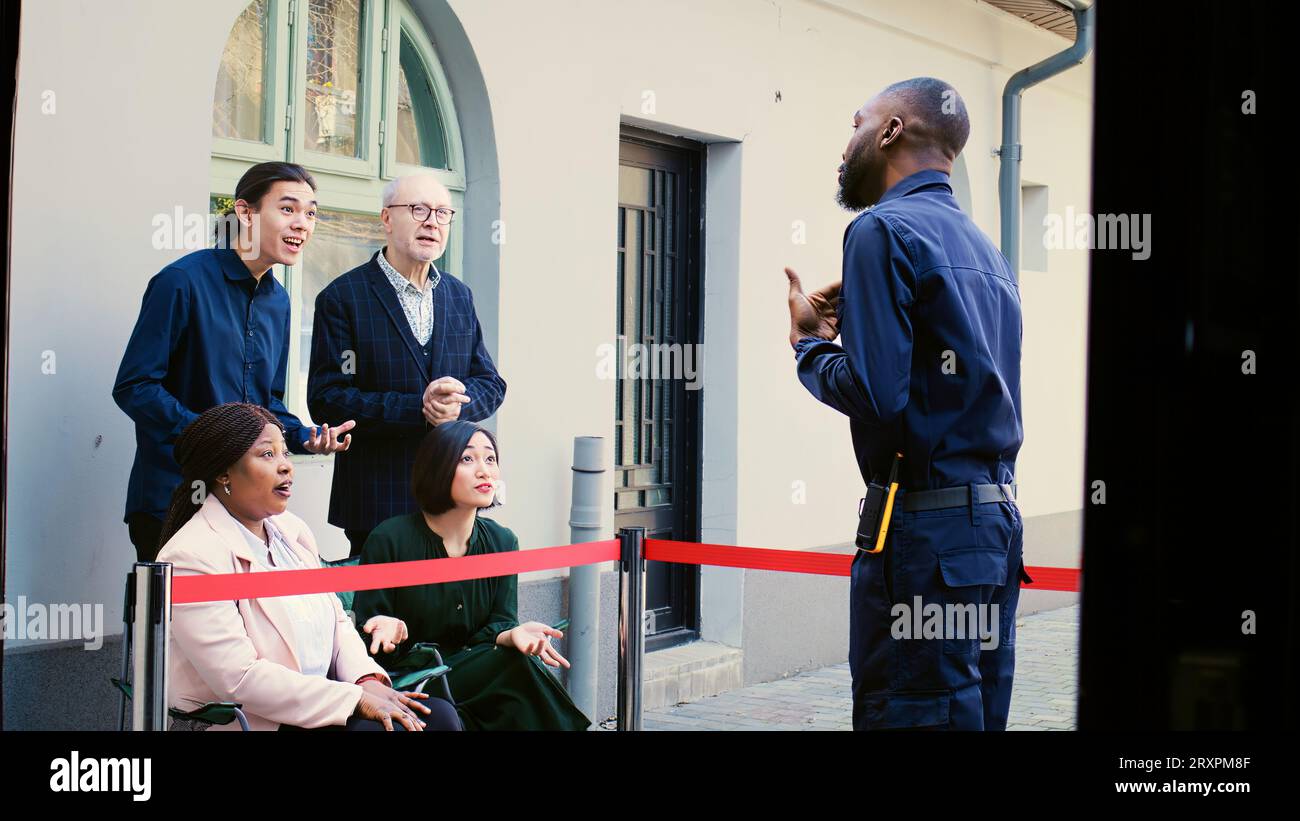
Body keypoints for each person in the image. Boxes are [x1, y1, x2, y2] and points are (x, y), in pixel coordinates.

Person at [786, 77, 1028, 730]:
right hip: (993, 534)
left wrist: (810, 347)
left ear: (891, 131)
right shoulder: (989, 253)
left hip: (927, 536)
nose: (846, 144)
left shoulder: (880, 231)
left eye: (856, 122)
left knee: (910, 714)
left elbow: (877, 393)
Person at [156, 402, 461, 731]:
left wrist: (366, 679)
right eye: (267, 455)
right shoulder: (190, 557)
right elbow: (239, 677)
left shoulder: (291, 531)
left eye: (285, 453)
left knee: (439, 714)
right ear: (223, 473)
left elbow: (338, 623)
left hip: (326, 702)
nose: (286, 467)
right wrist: (351, 699)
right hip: (262, 720)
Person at [113, 162, 355, 563]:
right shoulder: (181, 282)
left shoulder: (278, 301)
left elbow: (268, 404)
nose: (302, 224)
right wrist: (212, 437)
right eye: (288, 209)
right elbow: (134, 387)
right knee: (165, 623)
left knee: (244, 623)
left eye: (311, 213)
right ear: (245, 212)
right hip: (173, 497)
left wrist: (303, 436)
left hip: (244, 502)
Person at [308, 174, 506, 558]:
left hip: (454, 499)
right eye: (418, 210)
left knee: (450, 614)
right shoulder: (342, 297)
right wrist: (419, 407)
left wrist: (458, 405)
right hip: (377, 502)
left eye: (443, 213)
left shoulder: (458, 295)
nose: (432, 221)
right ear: (386, 218)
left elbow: (490, 382)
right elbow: (327, 398)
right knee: (384, 618)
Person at [352, 421, 590, 731]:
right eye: (468, 459)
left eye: (490, 459)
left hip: (478, 668)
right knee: (514, 672)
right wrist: (389, 628)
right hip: (413, 675)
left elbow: (499, 622)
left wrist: (510, 634)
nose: (485, 471)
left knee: (515, 671)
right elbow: (365, 640)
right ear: (437, 467)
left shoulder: (503, 541)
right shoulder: (390, 539)